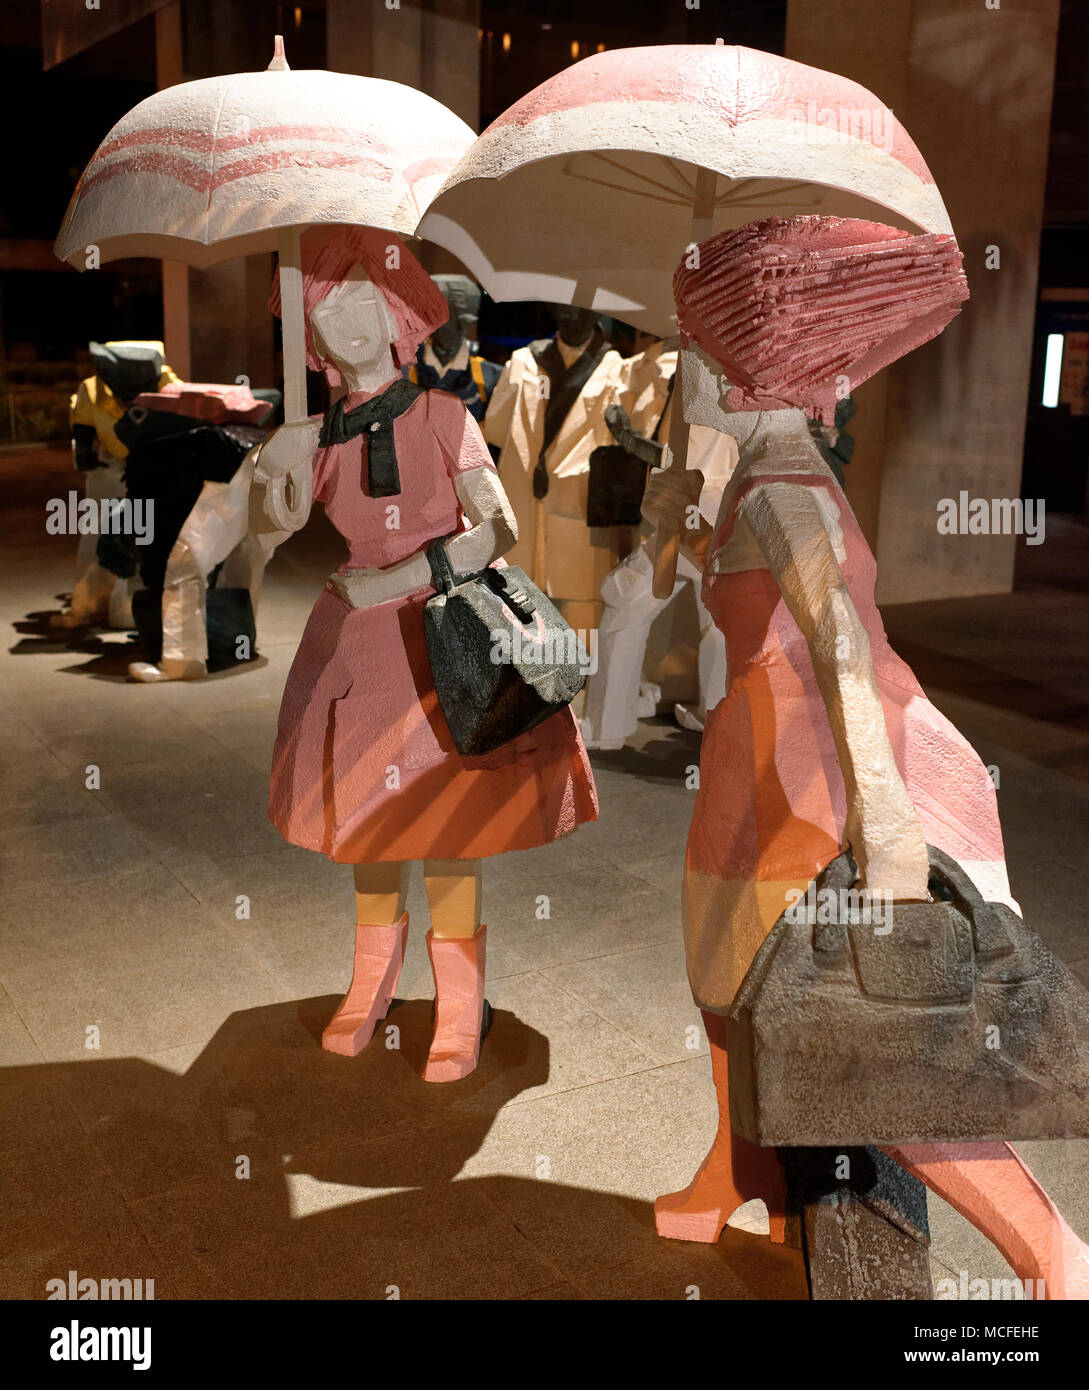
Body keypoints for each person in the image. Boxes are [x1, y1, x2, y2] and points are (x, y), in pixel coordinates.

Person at [644, 214, 1089, 1297]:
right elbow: (709, 597)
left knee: (874, 1055)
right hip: (762, 772)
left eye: (697, 361)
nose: (682, 382)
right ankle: (738, 1168)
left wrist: (885, 823)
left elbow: (840, 641)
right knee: (723, 984)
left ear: (747, 374)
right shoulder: (761, 477)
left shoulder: (787, 489)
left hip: (820, 780)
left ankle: (1053, 1256)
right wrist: (674, 516)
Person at [254, 227, 597, 1082]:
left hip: (450, 642)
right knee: (370, 828)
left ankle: (456, 1004)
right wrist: (275, 465)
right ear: (310, 333)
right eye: (331, 305)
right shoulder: (314, 434)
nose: (355, 318)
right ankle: (369, 981)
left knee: (449, 829)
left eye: (370, 297)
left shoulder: (444, 414)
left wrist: (406, 573)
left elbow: (500, 527)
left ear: (404, 312)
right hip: (359, 657)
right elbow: (272, 530)